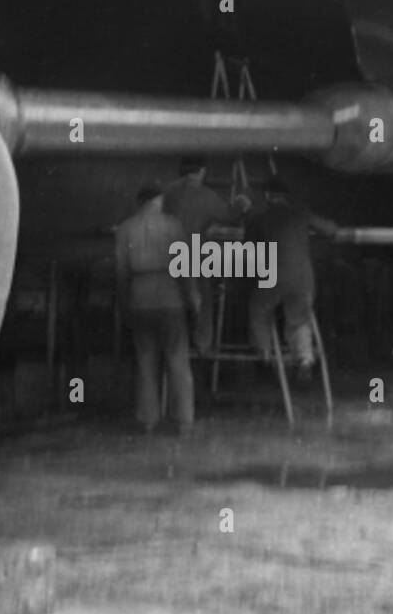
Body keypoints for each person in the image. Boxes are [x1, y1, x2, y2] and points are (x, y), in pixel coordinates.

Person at [114, 184, 195, 433]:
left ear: (140, 203)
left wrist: (124, 304)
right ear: (159, 200)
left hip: (140, 298)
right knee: (177, 359)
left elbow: (121, 272)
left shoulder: (125, 228)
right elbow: (185, 268)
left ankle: (148, 420)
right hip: (170, 297)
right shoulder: (173, 225)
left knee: (145, 360)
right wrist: (191, 298)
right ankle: (182, 421)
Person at [244, 179, 337, 380]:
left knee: (259, 309)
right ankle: (305, 359)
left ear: (267, 195)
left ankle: (264, 356)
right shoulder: (301, 212)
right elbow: (331, 230)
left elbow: (248, 247)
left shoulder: (261, 217)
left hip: (274, 275)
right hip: (304, 277)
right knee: (300, 318)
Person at [162, 158, 250, 352]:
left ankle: (171, 343)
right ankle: (203, 343)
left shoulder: (169, 191)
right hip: (192, 254)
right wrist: (240, 205)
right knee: (204, 300)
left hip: (167, 252)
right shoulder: (206, 196)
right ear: (201, 171)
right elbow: (229, 216)